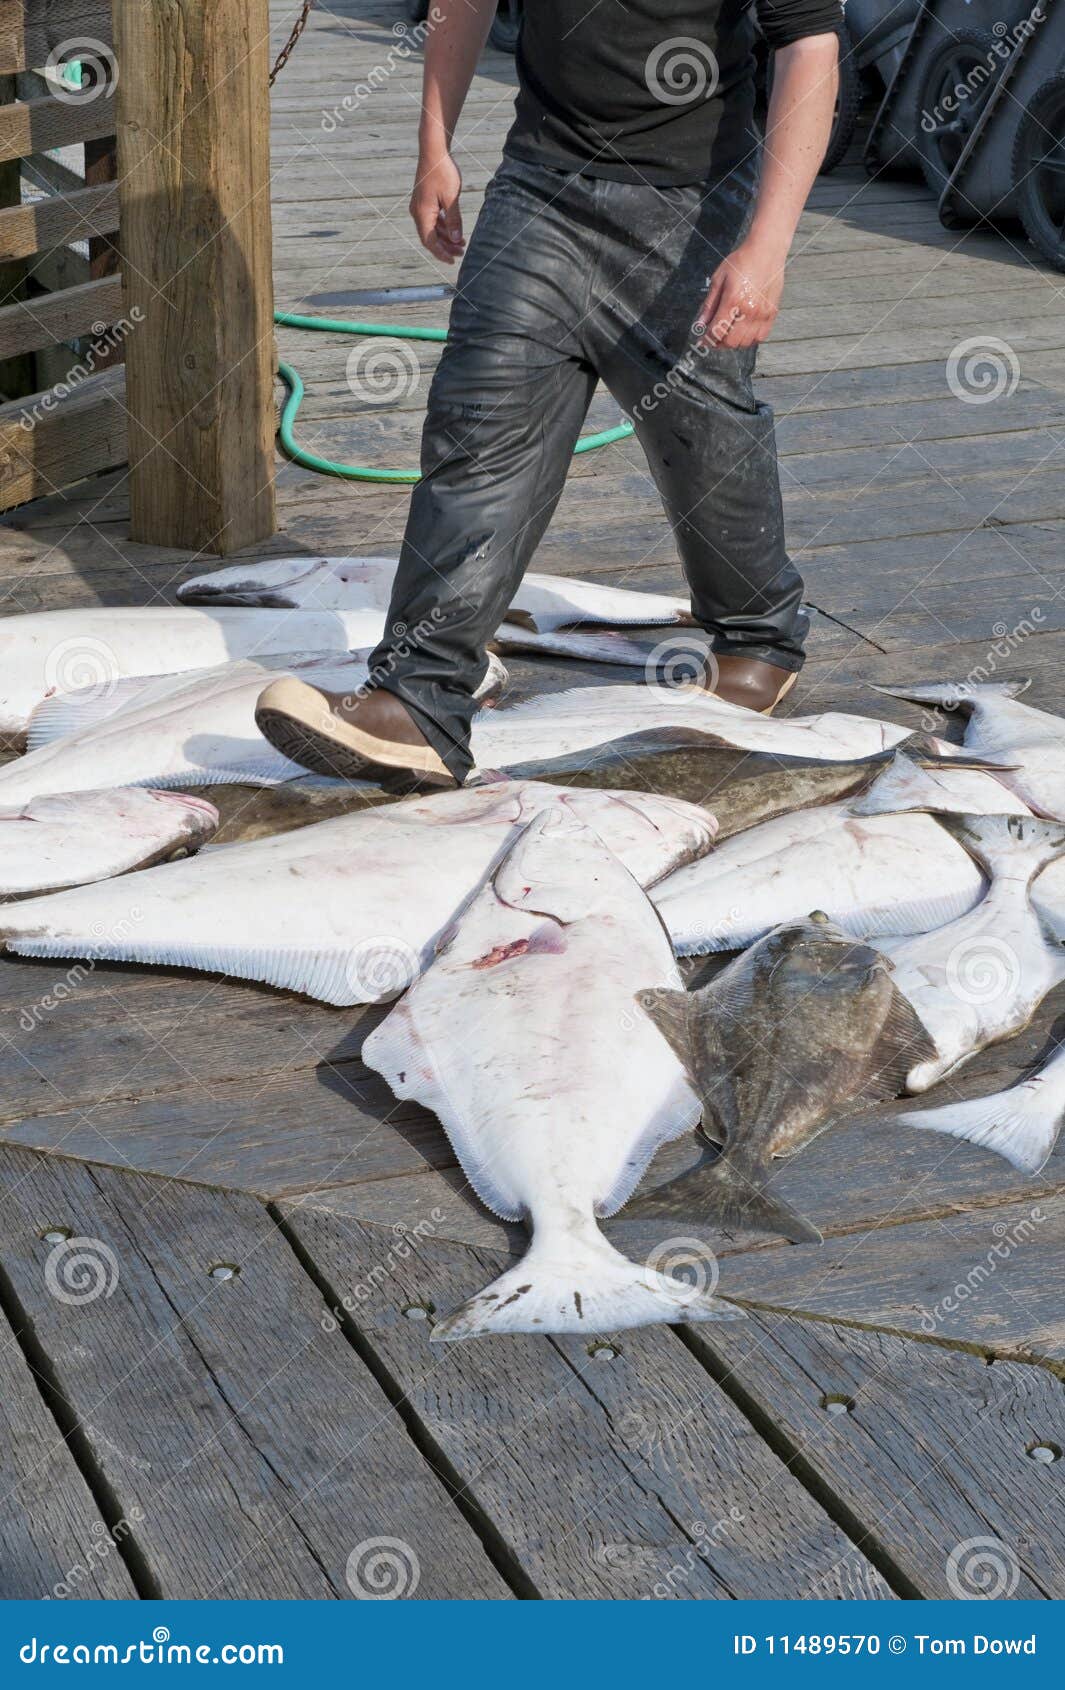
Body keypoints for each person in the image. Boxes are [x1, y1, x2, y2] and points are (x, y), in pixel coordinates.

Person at [257, 0, 841, 788]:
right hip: (540, 190)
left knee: (700, 434)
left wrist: (766, 246)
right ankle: (417, 699)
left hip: (691, 202)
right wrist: (434, 144)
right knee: (479, 430)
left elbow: (806, 44)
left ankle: (756, 636)